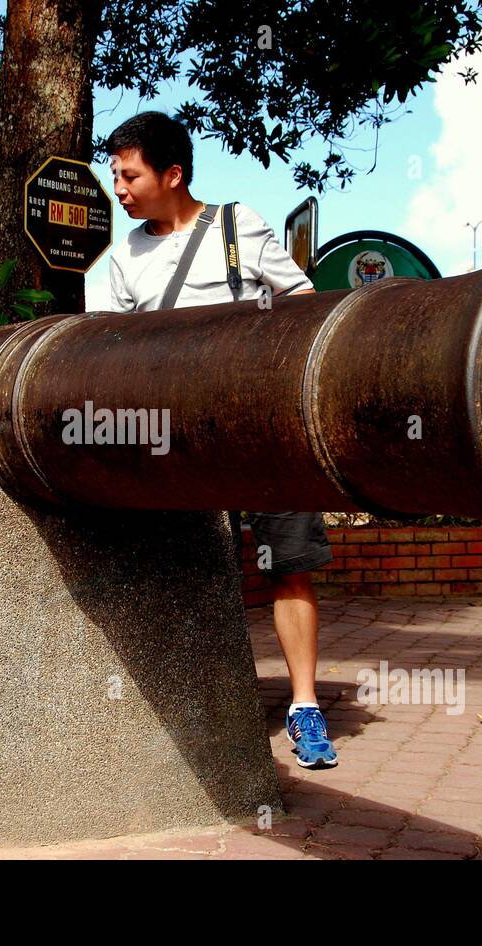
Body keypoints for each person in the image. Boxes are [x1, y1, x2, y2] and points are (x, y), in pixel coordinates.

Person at [106, 111, 337, 768]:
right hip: (177, 441)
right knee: (181, 569)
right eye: (115, 176)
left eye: (129, 175)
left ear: (171, 174)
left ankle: (304, 706)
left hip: (261, 427)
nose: (119, 189)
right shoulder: (126, 258)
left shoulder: (239, 226)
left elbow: (300, 307)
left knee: (288, 568)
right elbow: (120, 352)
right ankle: (190, 707)